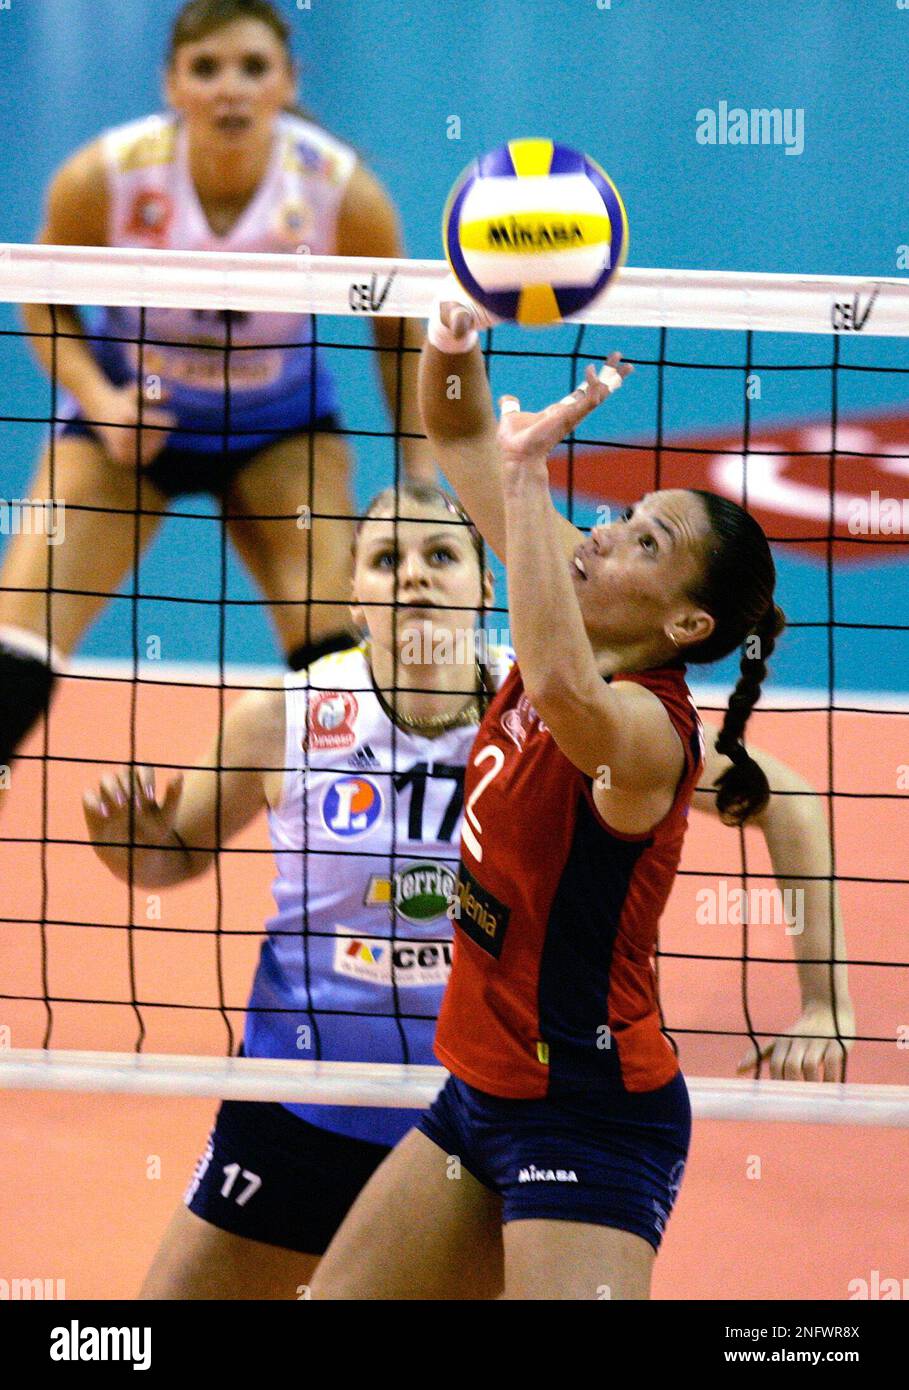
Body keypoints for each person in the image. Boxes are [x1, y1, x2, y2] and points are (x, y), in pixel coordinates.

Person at [83, 475, 847, 1300]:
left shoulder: (563, 704)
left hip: (505, 1098)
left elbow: (787, 798)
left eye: (441, 554)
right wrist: (133, 845)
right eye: (385, 559)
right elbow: (169, 860)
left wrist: (825, 1002)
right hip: (310, 1100)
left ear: (489, 584)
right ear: (354, 594)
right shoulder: (291, 713)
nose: (412, 574)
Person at [306, 288, 856, 1301]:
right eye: (628, 518)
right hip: (483, 1089)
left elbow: (561, 688)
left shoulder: (652, 733)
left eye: (649, 542)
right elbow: (460, 424)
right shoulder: (564, 587)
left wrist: (525, 481)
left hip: (592, 1112)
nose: (607, 533)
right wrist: (452, 335)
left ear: (688, 625)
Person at [0, 0, 433, 779]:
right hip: (131, 429)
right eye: (206, 69)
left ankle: (357, 876)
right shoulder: (107, 176)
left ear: (287, 82)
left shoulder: (340, 192)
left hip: (279, 432)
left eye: (253, 68)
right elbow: (39, 297)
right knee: (6, 669)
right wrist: (100, 400)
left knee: (340, 679)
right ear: (172, 83)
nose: (230, 88)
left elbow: (399, 332)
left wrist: (420, 479)